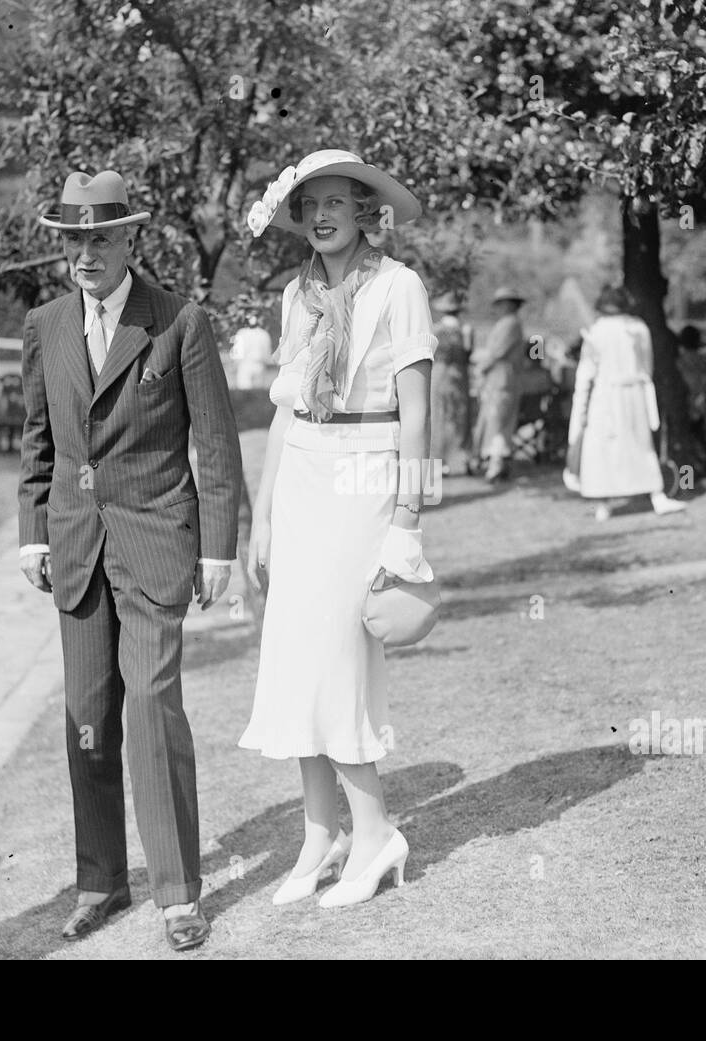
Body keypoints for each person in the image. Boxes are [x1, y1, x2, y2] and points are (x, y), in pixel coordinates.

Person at [18, 170, 244, 951]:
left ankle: (178, 893)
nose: (88, 253)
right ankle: (100, 882)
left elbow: (214, 442)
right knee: (87, 718)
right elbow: (37, 442)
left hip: (155, 544)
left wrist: (220, 547)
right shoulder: (44, 326)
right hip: (76, 548)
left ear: (130, 240)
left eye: (102, 237)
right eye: (75, 240)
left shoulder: (178, 321)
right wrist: (32, 530)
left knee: (150, 706)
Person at [240, 148, 435, 907]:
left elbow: (417, 411)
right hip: (303, 480)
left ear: (363, 211)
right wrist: (262, 519)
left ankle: (377, 830)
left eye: (336, 203)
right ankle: (321, 834)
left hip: (367, 474)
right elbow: (287, 412)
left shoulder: (399, 286)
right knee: (292, 656)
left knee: (335, 657)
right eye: (309, 204)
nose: (321, 216)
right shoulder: (298, 296)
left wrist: (408, 522)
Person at [563, 286, 685, 519]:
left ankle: (604, 503)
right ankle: (654, 496)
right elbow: (646, 365)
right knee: (636, 444)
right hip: (631, 393)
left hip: (608, 394)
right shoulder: (635, 327)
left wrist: (582, 401)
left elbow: (586, 372)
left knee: (607, 448)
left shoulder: (601, 330)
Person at [471, 287, 527, 482]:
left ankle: (496, 464)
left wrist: (481, 367)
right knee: (495, 423)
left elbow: (497, 352)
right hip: (498, 380)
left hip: (503, 380)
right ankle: (495, 462)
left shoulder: (511, 324)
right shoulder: (506, 324)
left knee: (498, 423)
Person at [429, 291, 473, 476]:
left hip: (438, 375)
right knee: (459, 417)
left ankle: (438, 462)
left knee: (438, 417)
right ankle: (460, 461)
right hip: (459, 376)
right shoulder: (466, 330)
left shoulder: (435, 329)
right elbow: (468, 353)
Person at [231, 312, 274, 390]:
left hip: (245, 366)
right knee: (258, 394)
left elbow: (237, 355)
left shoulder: (241, 333)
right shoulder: (264, 334)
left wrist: (234, 366)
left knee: (244, 393)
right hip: (258, 366)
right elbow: (267, 355)